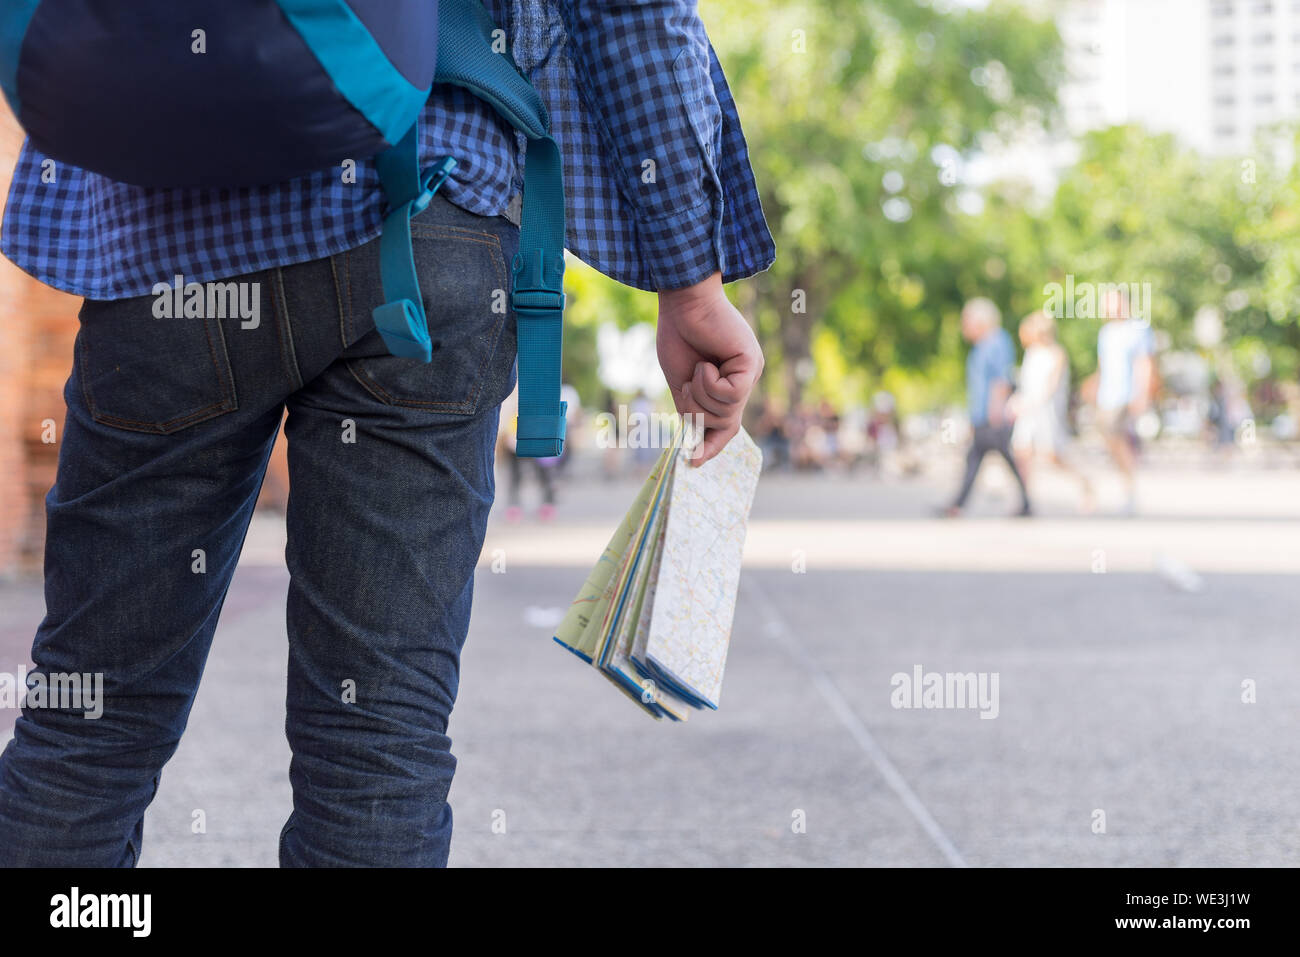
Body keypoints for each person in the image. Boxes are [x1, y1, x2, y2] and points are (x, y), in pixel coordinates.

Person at [0, 2, 773, 867]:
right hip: (420, 214)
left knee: (88, 722)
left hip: (162, 237)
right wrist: (690, 282)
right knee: (377, 742)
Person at [943, 298, 1031, 517]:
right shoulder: (980, 347)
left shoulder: (997, 342)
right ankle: (958, 504)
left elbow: (1001, 380)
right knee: (975, 459)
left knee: (999, 457)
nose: (964, 326)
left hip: (992, 415)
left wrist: (995, 412)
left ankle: (1026, 503)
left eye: (967, 321)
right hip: (982, 414)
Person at [1009, 311, 1094, 511]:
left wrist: (1032, 402)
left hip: (1045, 411)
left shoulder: (1057, 353)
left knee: (1051, 456)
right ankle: (1025, 498)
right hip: (1028, 411)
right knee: (1022, 452)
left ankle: (1084, 482)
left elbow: (1051, 386)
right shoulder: (1031, 353)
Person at [1094, 290, 1154, 516]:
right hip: (1106, 396)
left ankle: (1130, 488)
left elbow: (1144, 363)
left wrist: (1142, 394)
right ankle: (1127, 481)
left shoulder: (1138, 329)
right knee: (1111, 441)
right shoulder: (1106, 332)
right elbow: (1102, 365)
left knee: (1117, 439)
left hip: (1125, 394)